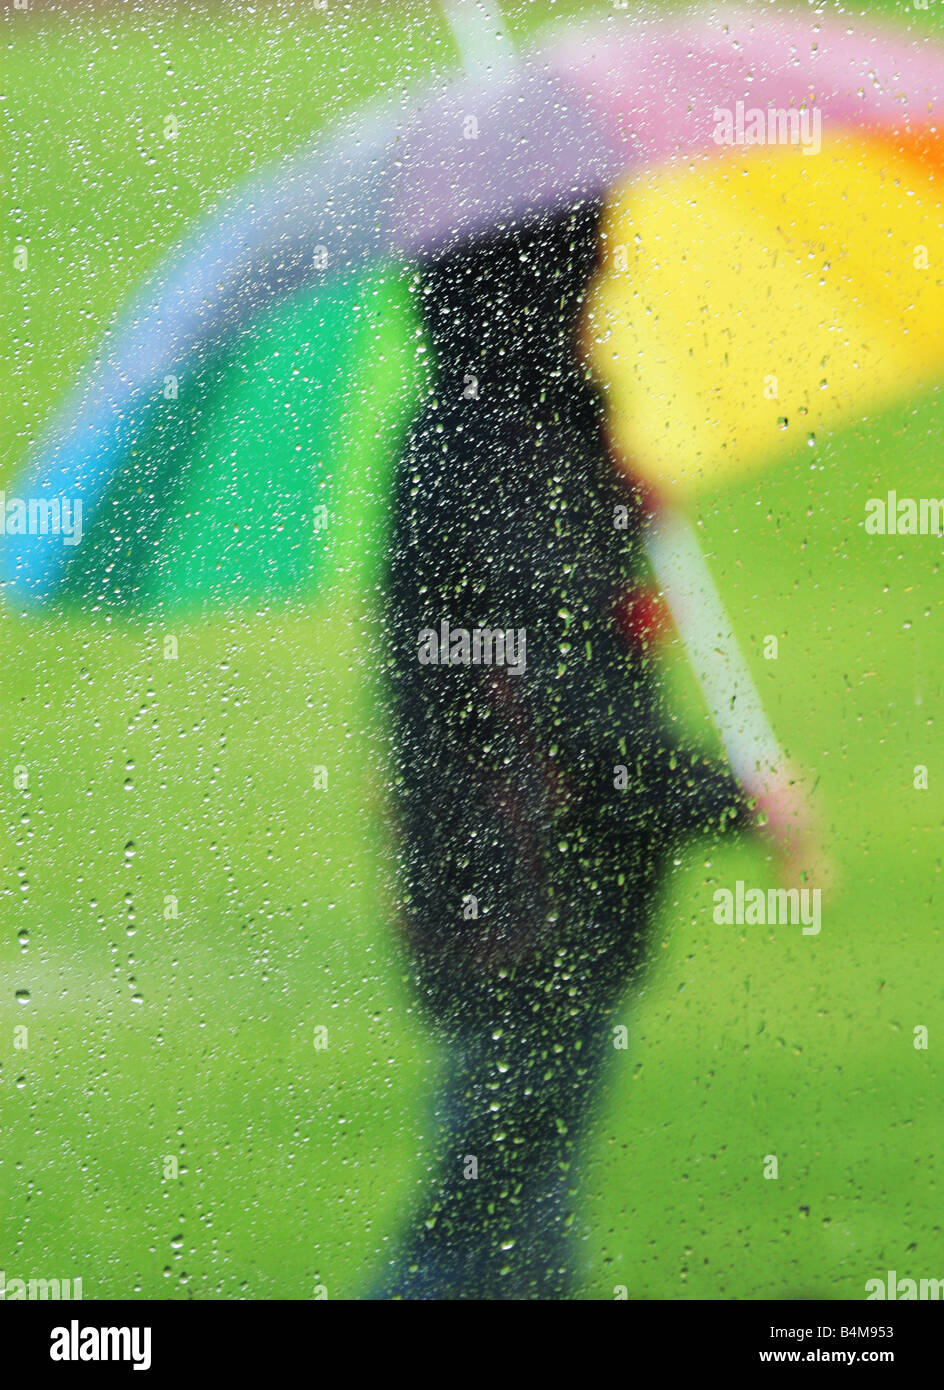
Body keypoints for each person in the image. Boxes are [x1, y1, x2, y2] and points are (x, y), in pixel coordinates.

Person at [378, 198, 810, 1300]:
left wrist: (611, 511)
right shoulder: (506, 458)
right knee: (480, 1235)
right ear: (539, 285)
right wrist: (735, 796)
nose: (603, 287)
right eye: (586, 263)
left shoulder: (484, 434)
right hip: (528, 899)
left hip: (504, 888)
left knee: (523, 1219)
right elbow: (569, 719)